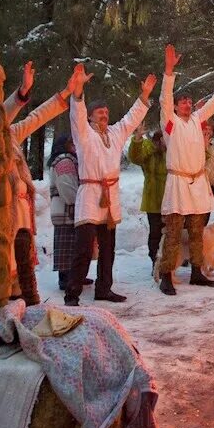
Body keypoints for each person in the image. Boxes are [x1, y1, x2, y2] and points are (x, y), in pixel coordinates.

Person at [65, 64, 155, 306]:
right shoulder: (84, 134)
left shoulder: (115, 133)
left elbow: (131, 119)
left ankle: (104, 289)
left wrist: (144, 96)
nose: (104, 115)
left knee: (108, 248)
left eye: (106, 112)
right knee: (84, 248)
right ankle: (72, 292)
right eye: (100, 112)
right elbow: (76, 116)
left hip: (110, 196)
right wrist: (79, 90)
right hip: (90, 194)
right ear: (91, 115)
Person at [158, 44, 214, 296]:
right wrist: (169, 72)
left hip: (197, 185)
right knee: (172, 234)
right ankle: (166, 276)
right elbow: (164, 100)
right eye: (183, 102)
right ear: (176, 106)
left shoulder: (197, 120)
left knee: (196, 233)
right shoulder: (171, 124)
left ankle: (196, 272)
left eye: (189, 102)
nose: (187, 105)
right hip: (178, 185)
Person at [4, 62, 79, 305]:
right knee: (6, 269)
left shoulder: (12, 134)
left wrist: (67, 92)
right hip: (2, 218)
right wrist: (21, 93)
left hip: (22, 218)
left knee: (23, 273)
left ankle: (27, 308)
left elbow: (37, 117)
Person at [48, 134, 93, 291]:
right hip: (67, 210)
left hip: (69, 210)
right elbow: (67, 187)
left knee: (74, 246)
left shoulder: (70, 160)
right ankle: (66, 278)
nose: (75, 146)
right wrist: (79, 201)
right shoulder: (65, 162)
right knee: (67, 245)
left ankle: (76, 275)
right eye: (71, 143)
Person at [128, 127, 168, 267]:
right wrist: (138, 139)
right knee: (156, 233)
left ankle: (171, 261)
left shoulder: (175, 150)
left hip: (173, 199)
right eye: (165, 137)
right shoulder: (149, 148)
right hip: (154, 199)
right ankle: (155, 261)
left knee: (174, 232)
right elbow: (135, 157)